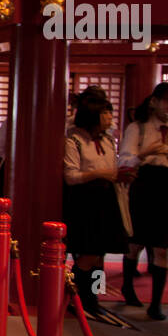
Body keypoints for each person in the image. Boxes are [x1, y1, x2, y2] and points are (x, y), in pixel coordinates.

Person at [118, 83, 168, 321]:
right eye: (166, 100)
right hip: (143, 183)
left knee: (162, 247)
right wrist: (145, 153)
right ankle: (127, 287)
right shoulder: (137, 128)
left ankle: (156, 303)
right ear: (154, 101)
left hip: (165, 184)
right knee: (135, 242)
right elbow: (125, 159)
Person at [63, 94, 129, 322]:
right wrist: (100, 174)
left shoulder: (109, 140)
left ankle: (95, 296)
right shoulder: (74, 140)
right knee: (88, 252)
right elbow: (71, 176)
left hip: (107, 197)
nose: (110, 117)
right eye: (105, 113)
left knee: (101, 253)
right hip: (85, 199)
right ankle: (74, 294)